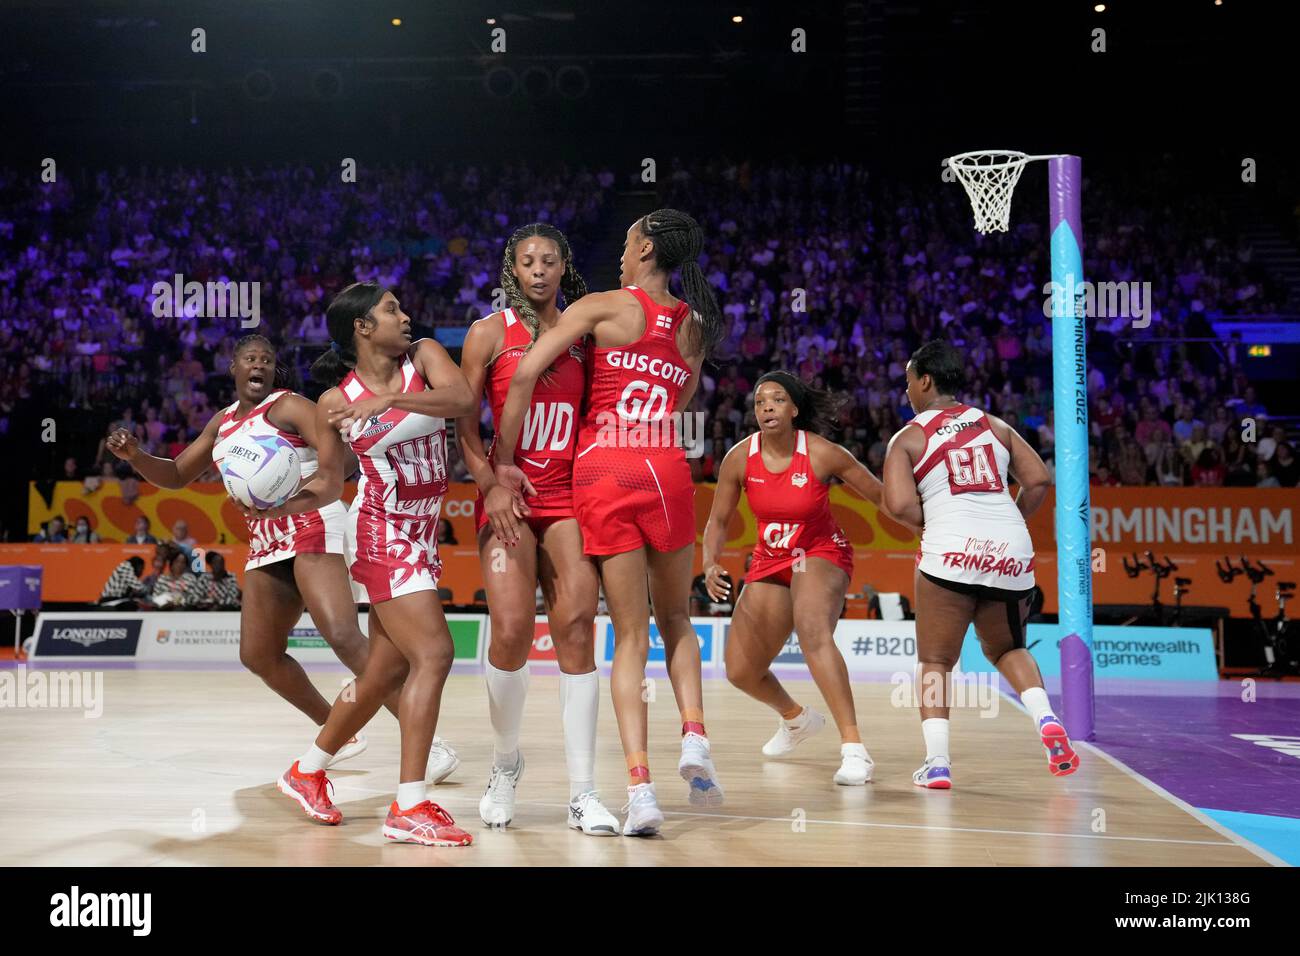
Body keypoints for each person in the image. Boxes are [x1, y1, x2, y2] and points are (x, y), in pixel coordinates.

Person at [108, 334, 461, 778]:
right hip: (266, 538)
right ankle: (339, 730)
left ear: (274, 371)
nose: (259, 365)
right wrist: (137, 456)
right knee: (259, 654)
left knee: (341, 632)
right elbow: (178, 474)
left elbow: (344, 459)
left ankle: (429, 746)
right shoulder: (221, 424)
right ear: (233, 368)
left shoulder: (290, 405)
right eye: (250, 358)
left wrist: (291, 486)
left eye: (267, 360)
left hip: (313, 521)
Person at [493, 209, 725, 836]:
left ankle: (640, 792)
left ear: (644, 248)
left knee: (629, 637)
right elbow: (680, 400)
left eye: (625, 243)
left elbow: (525, 373)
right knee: (678, 619)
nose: (620, 254)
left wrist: (504, 466)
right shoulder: (694, 325)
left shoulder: (601, 306)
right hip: (668, 467)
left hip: (604, 469)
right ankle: (696, 734)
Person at [275, 282, 479, 847]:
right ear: (362, 327)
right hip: (381, 530)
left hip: (422, 530)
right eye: (391, 310)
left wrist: (391, 401)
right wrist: (275, 500)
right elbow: (329, 479)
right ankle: (409, 804)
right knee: (435, 652)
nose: (405, 316)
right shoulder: (335, 401)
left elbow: (463, 401)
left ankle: (307, 770)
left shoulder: (427, 358)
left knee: (383, 674)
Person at [455, 223, 617, 835]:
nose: (540, 270)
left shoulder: (584, 334)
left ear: (564, 266)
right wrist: (492, 484)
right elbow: (466, 428)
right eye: (528, 261)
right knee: (513, 628)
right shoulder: (488, 335)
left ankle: (583, 792)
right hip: (508, 500)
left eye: (550, 260)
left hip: (569, 499)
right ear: (512, 270)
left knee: (576, 627)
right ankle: (504, 765)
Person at [882, 340, 1079, 789]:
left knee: (935, 660)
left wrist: (935, 523)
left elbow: (895, 504)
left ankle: (937, 764)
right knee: (1009, 649)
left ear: (925, 380)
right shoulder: (995, 424)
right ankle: (1046, 718)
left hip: (949, 549)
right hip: (1011, 550)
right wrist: (1009, 520)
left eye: (909, 380)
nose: (906, 389)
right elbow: (1038, 480)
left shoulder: (909, 436)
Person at [703, 371, 895, 785]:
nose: (766, 406)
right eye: (759, 402)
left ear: (793, 410)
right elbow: (718, 520)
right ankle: (796, 720)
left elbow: (883, 498)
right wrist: (709, 562)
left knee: (812, 630)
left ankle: (855, 748)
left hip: (820, 552)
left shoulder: (824, 453)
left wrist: (928, 528)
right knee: (739, 669)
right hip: (770, 560)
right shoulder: (740, 457)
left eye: (776, 399)